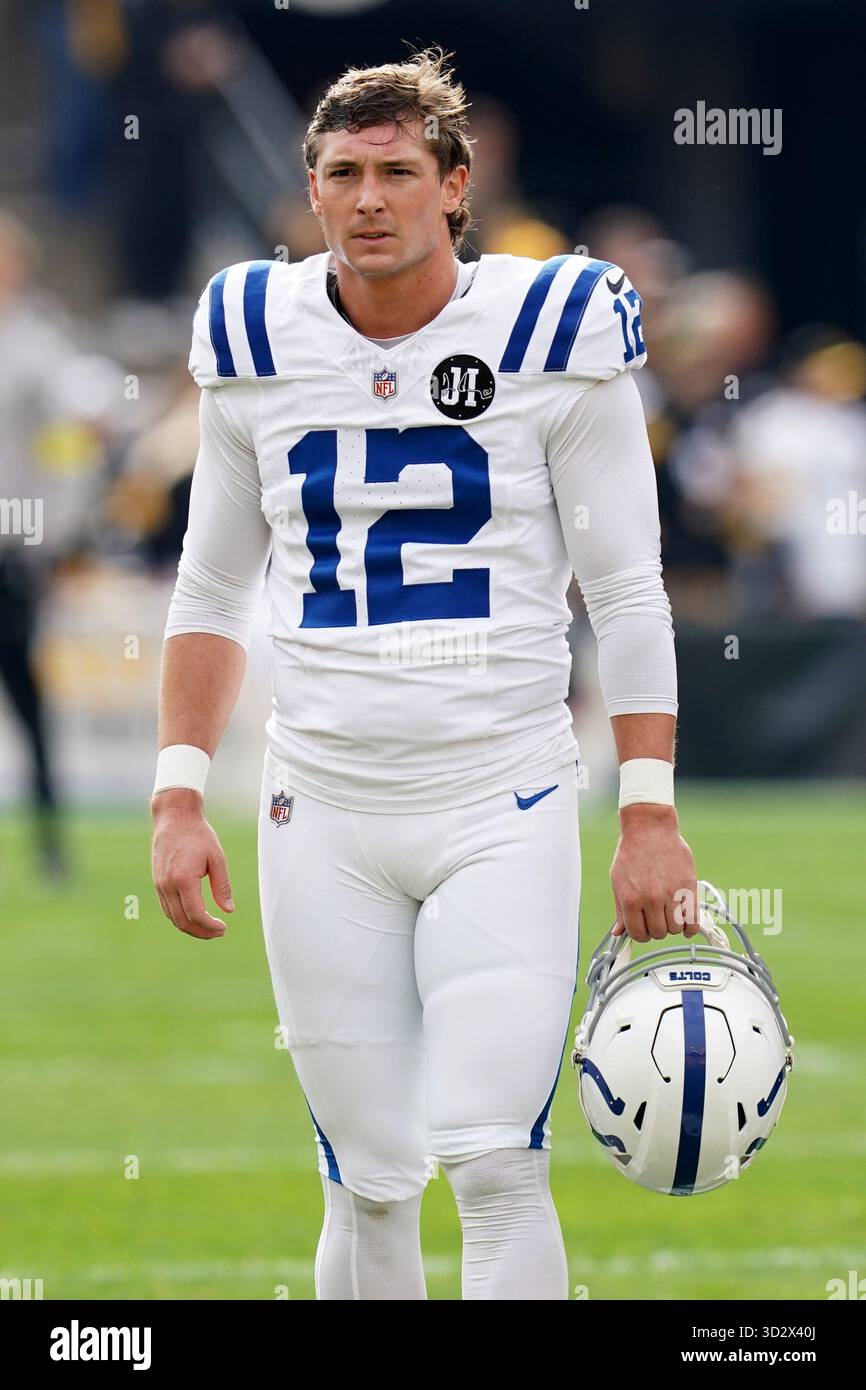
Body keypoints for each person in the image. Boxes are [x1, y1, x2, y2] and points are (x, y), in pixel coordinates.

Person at [151, 47, 698, 1301]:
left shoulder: (552, 328)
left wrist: (650, 812)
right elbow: (210, 586)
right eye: (341, 172)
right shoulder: (255, 331)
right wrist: (178, 790)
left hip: (497, 794)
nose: (368, 198)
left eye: (398, 170)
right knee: (367, 1174)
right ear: (311, 190)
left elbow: (624, 590)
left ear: (456, 186)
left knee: (495, 1162)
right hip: (320, 804)